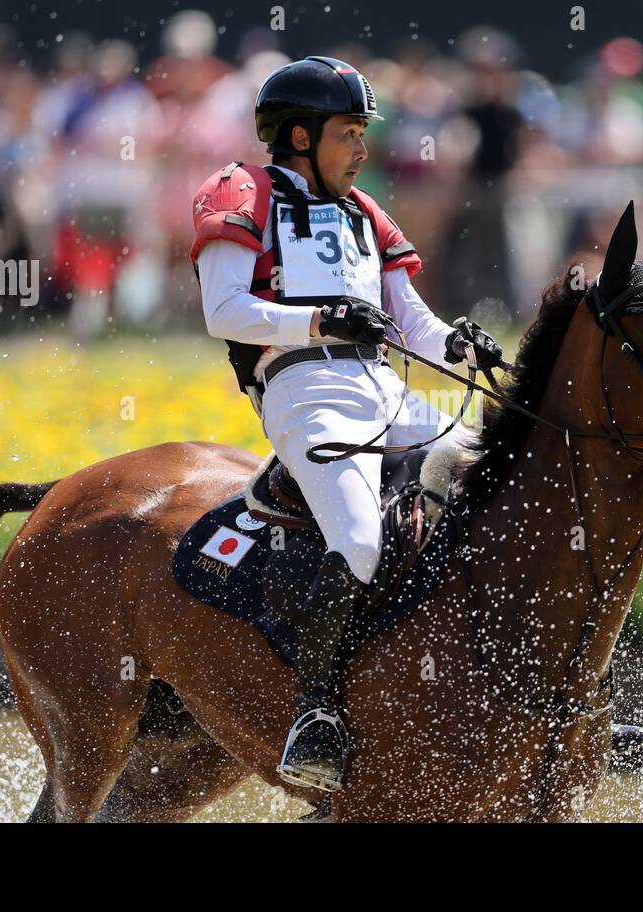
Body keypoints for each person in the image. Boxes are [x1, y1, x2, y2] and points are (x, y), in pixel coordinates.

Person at [189, 56, 503, 792]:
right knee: (359, 536)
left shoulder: (365, 211)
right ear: (298, 135)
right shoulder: (241, 190)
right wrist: (320, 318)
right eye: (349, 133)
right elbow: (223, 309)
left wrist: (458, 343)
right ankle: (315, 714)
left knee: (495, 479)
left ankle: (528, 686)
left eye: (363, 134)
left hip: (381, 388)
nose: (362, 150)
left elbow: (409, 319)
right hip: (302, 390)